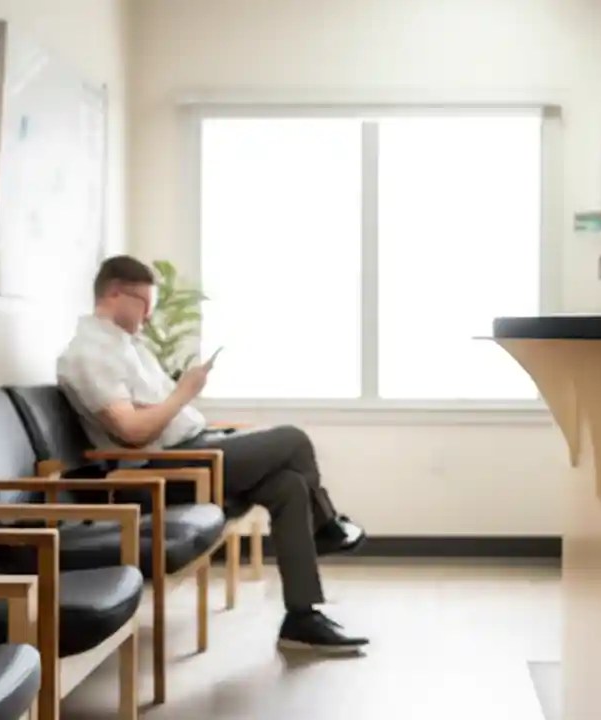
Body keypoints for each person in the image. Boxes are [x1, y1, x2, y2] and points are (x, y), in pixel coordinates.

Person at [57, 255, 369, 653]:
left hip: (186, 453)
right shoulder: (88, 355)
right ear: (115, 293)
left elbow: (148, 413)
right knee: (293, 439)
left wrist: (184, 404)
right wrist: (184, 392)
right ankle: (325, 526)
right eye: (145, 306)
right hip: (156, 475)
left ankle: (301, 618)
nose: (149, 319)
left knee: (288, 485)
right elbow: (132, 432)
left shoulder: (125, 347)